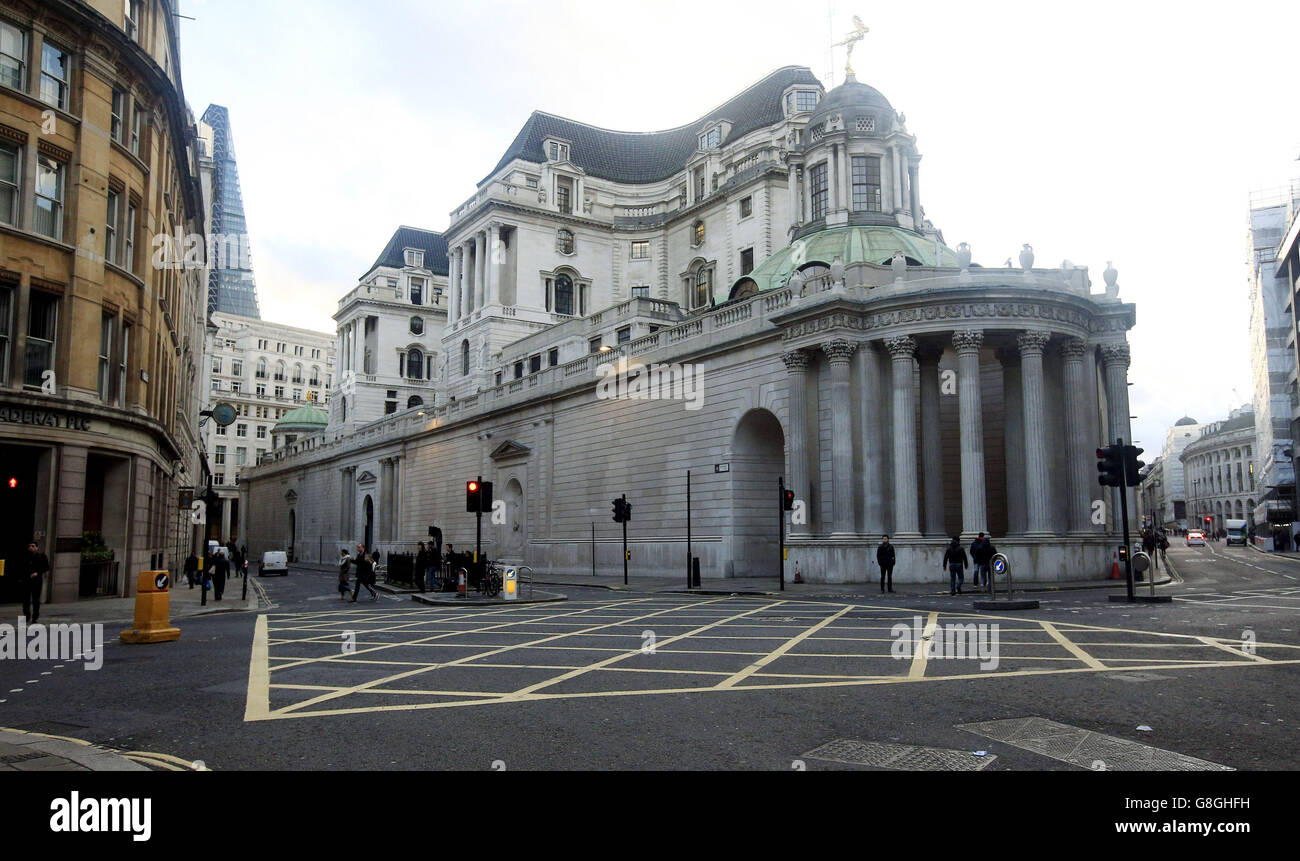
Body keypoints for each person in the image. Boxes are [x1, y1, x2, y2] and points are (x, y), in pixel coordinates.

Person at [22, 540, 50, 624]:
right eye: (29, 546)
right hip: (27, 581)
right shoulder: (25, 556)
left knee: (35, 600)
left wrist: (38, 573)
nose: (31, 547)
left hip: (37, 581)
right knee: (26, 600)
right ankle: (26, 616)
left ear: (37, 547)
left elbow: (46, 567)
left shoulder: (42, 556)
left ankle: (35, 617)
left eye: (33, 546)